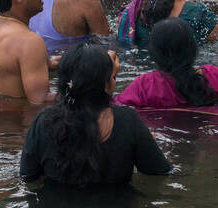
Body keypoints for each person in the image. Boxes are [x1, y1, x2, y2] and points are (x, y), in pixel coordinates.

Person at [20, 38, 171, 188]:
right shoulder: (127, 121)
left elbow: (28, 176)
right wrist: (147, 142)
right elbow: (160, 172)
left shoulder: (44, 121)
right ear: (106, 84)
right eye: (112, 76)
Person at [114, 17, 218, 112]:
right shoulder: (212, 76)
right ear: (193, 49)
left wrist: (111, 75)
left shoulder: (144, 86)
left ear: (153, 53)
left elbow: (114, 107)